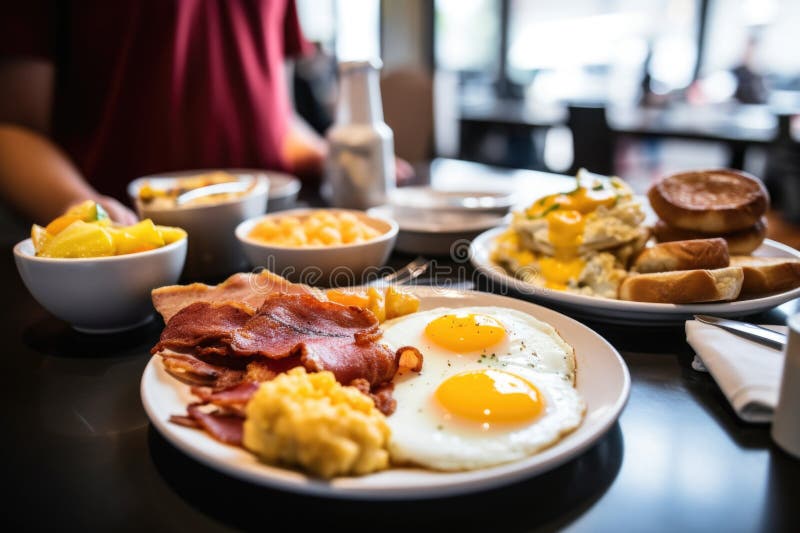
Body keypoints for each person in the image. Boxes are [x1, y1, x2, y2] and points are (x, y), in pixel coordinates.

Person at [0, 0, 410, 226]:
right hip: (132, 249)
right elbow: (14, 127)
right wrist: (83, 208)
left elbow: (277, 115)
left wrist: (327, 155)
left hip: (272, 237)